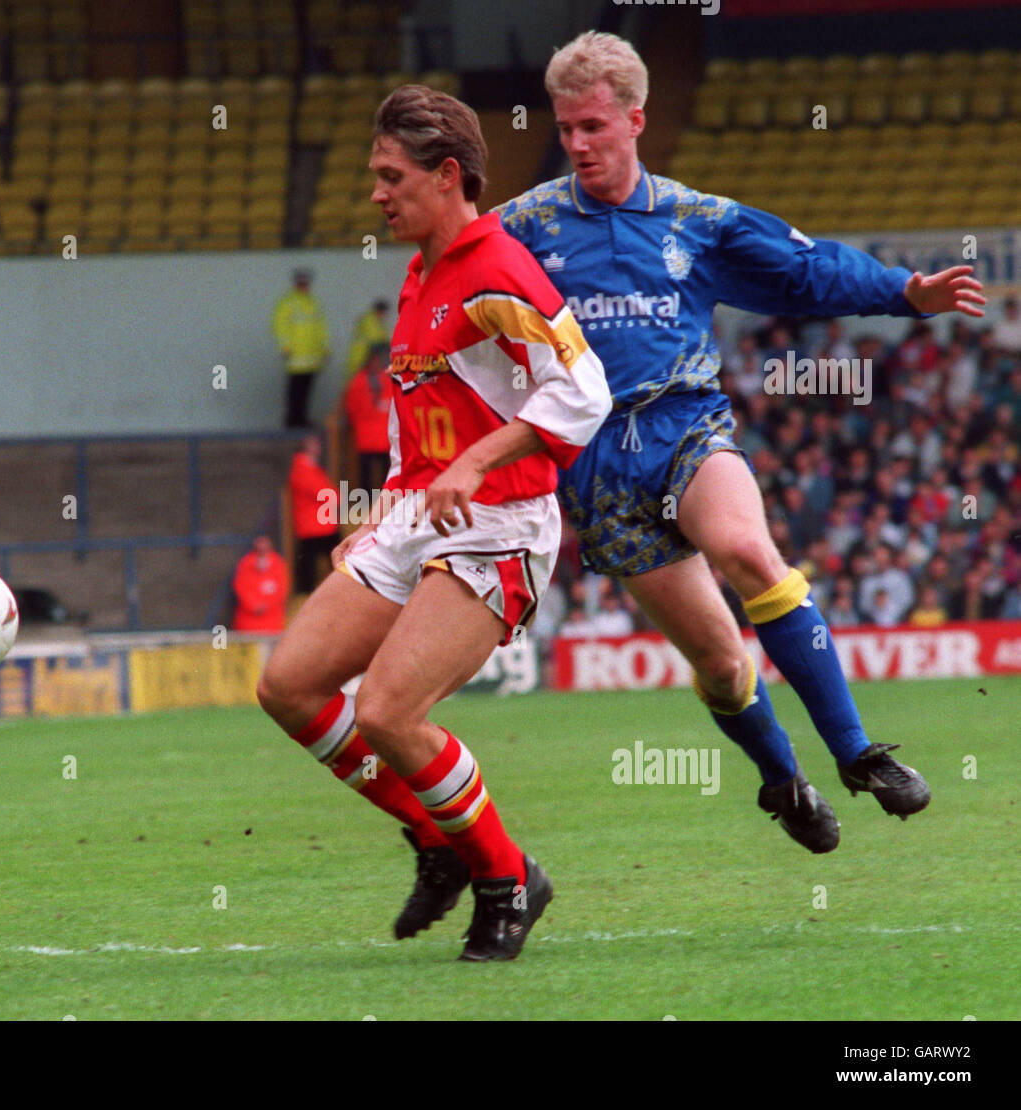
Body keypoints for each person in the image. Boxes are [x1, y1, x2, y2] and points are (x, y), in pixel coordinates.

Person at [496, 30, 986, 853]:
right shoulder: (525, 226)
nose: (576, 143)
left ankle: (858, 752)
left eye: (592, 126)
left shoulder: (696, 218)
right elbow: (458, 296)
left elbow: (807, 267)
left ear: (635, 120)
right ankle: (781, 778)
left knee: (750, 556)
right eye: (565, 127)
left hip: (686, 425)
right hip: (593, 463)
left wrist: (905, 292)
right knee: (723, 667)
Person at [256, 85, 611, 960]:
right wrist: (381, 513)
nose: (376, 193)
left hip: (501, 523)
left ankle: (506, 878)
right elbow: (422, 423)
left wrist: (478, 461)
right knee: (289, 685)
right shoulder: (419, 273)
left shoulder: (498, 271)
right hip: (423, 513)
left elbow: (586, 389)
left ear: (447, 175)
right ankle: (436, 840)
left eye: (390, 176)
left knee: (387, 711)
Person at [273, 269, 329, 428]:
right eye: (302, 283)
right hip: (296, 356)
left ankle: (302, 418)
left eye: (306, 283)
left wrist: (325, 348)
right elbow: (280, 326)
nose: (304, 286)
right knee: (295, 390)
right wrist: (285, 347)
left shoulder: (313, 303)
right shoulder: (287, 303)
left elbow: (322, 328)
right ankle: (293, 419)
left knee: (306, 390)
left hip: (312, 357)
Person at [288, 434, 339, 594]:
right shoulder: (303, 469)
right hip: (314, 525)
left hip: (319, 524)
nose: (319, 447)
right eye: (315, 444)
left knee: (311, 564)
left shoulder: (309, 468)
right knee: (317, 564)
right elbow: (322, 492)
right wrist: (337, 497)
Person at [342, 342, 393, 494]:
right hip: (369, 435)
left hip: (381, 436)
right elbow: (352, 406)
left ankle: (382, 500)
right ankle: (367, 502)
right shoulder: (359, 382)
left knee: (387, 472)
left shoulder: (385, 379)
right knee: (366, 473)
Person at [232, 535, 290, 633]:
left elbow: (282, 589)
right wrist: (254, 606)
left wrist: (266, 605)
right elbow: (241, 588)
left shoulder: (278, 564)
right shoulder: (246, 564)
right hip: (248, 623)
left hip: (272, 623)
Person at [345, 299, 391, 380]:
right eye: (384, 312)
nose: (384, 315)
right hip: (361, 356)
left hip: (366, 357)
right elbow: (376, 339)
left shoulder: (378, 323)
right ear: (380, 310)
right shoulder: (370, 321)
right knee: (355, 384)